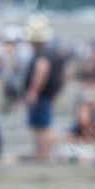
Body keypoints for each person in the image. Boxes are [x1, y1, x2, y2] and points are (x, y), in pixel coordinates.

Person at [24, 18, 64, 161]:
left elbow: (42, 68)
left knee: (41, 126)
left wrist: (33, 91)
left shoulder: (42, 55)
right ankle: (43, 151)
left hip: (41, 95)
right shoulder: (53, 53)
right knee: (43, 124)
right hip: (49, 94)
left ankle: (44, 151)